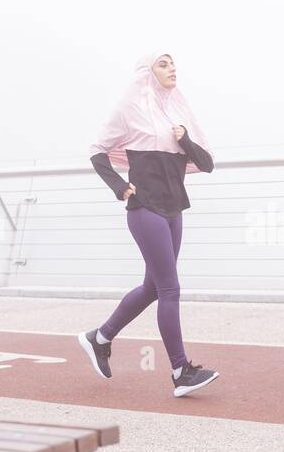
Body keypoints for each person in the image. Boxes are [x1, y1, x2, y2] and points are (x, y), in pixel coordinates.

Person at [77, 51, 220, 396]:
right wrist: (121, 188)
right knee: (170, 289)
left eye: (172, 63)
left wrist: (183, 138)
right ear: (147, 71)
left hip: (174, 210)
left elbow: (207, 163)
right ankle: (180, 371)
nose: (172, 69)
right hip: (145, 209)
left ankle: (99, 337)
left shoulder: (177, 110)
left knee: (154, 288)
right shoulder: (129, 108)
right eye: (163, 63)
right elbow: (97, 152)